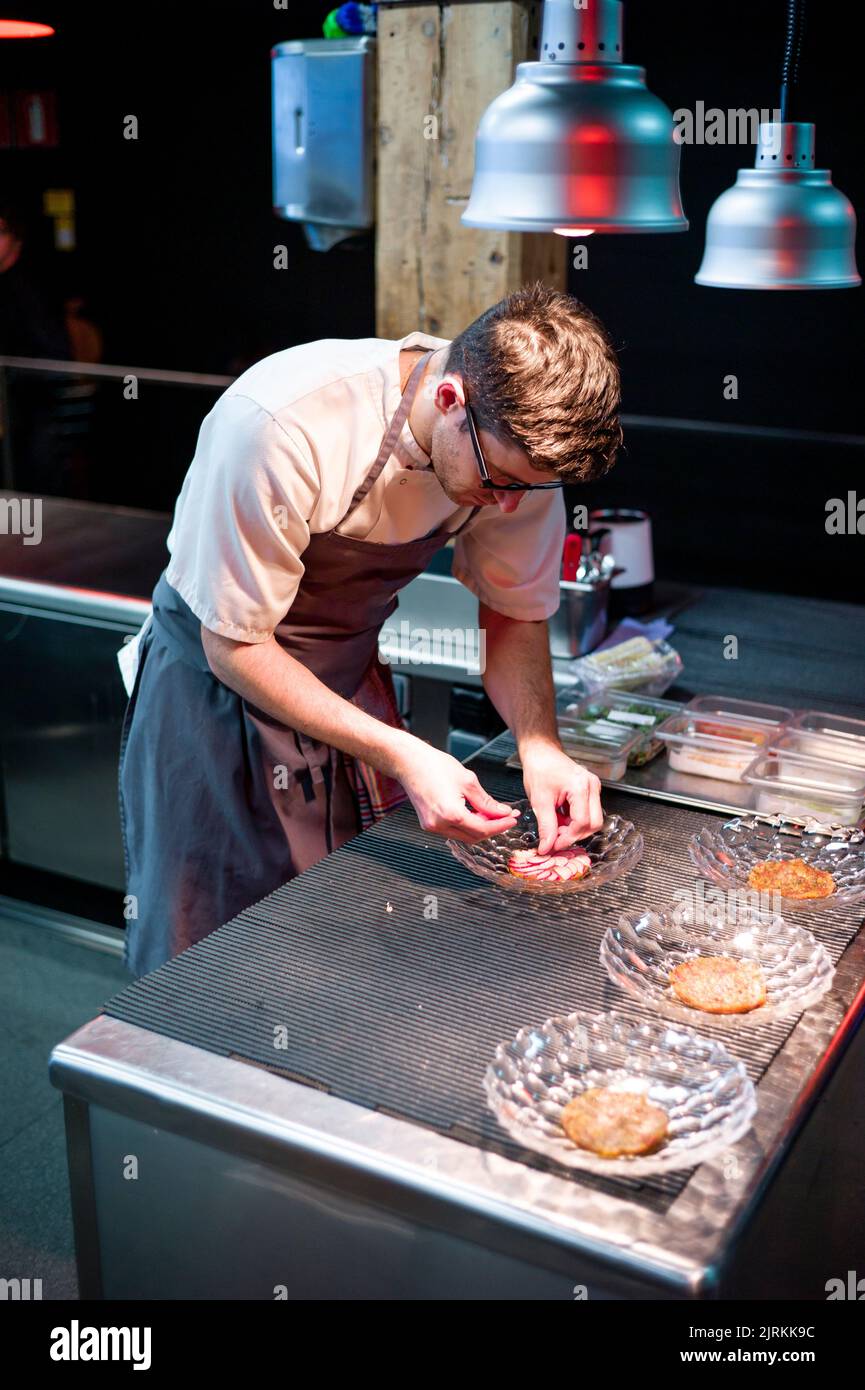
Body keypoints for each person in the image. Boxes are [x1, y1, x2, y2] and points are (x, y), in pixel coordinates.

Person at [118, 282, 622, 975]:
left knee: (347, 922)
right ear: (451, 400)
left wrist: (538, 745)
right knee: (213, 933)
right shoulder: (281, 423)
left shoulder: (519, 457)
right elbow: (233, 645)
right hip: (213, 694)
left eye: (526, 489)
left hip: (346, 681)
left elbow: (514, 614)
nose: (510, 503)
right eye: (499, 480)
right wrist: (404, 752)